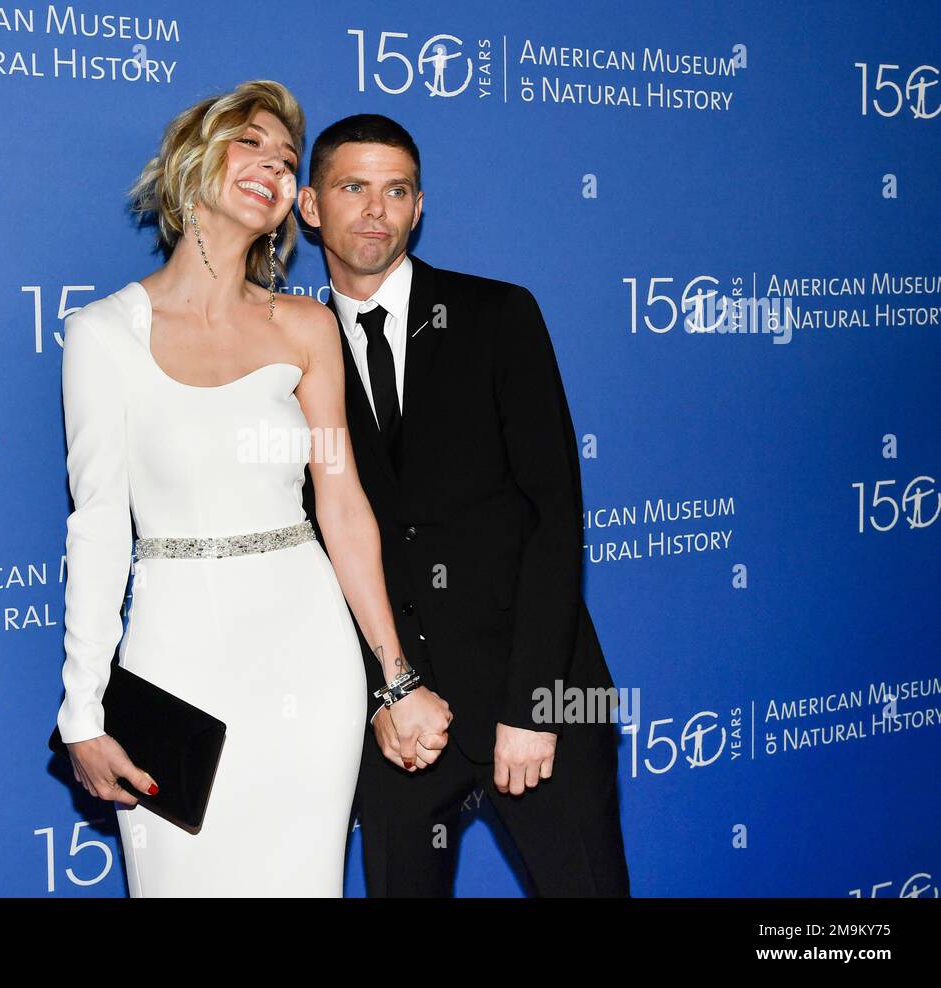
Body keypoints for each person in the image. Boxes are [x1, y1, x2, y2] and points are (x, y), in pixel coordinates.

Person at [54, 83, 452, 897]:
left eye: (285, 159)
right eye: (251, 145)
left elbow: (341, 504)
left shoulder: (305, 327)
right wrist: (82, 711)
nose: (273, 165)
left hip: (310, 658)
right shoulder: (103, 337)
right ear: (192, 163)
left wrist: (394, 674)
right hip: (177, 658)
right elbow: (96, 530)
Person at [297, 114, 632, 897]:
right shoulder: (290, 349)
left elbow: (556, 517)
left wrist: (533, 708)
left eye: (397, 190)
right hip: (395, 727)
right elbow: (322, 539)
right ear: (310, 206)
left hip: (536, 702)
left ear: (418, 208)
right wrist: (388, 694)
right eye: (353, 187)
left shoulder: (497, 316)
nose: (376, 210)